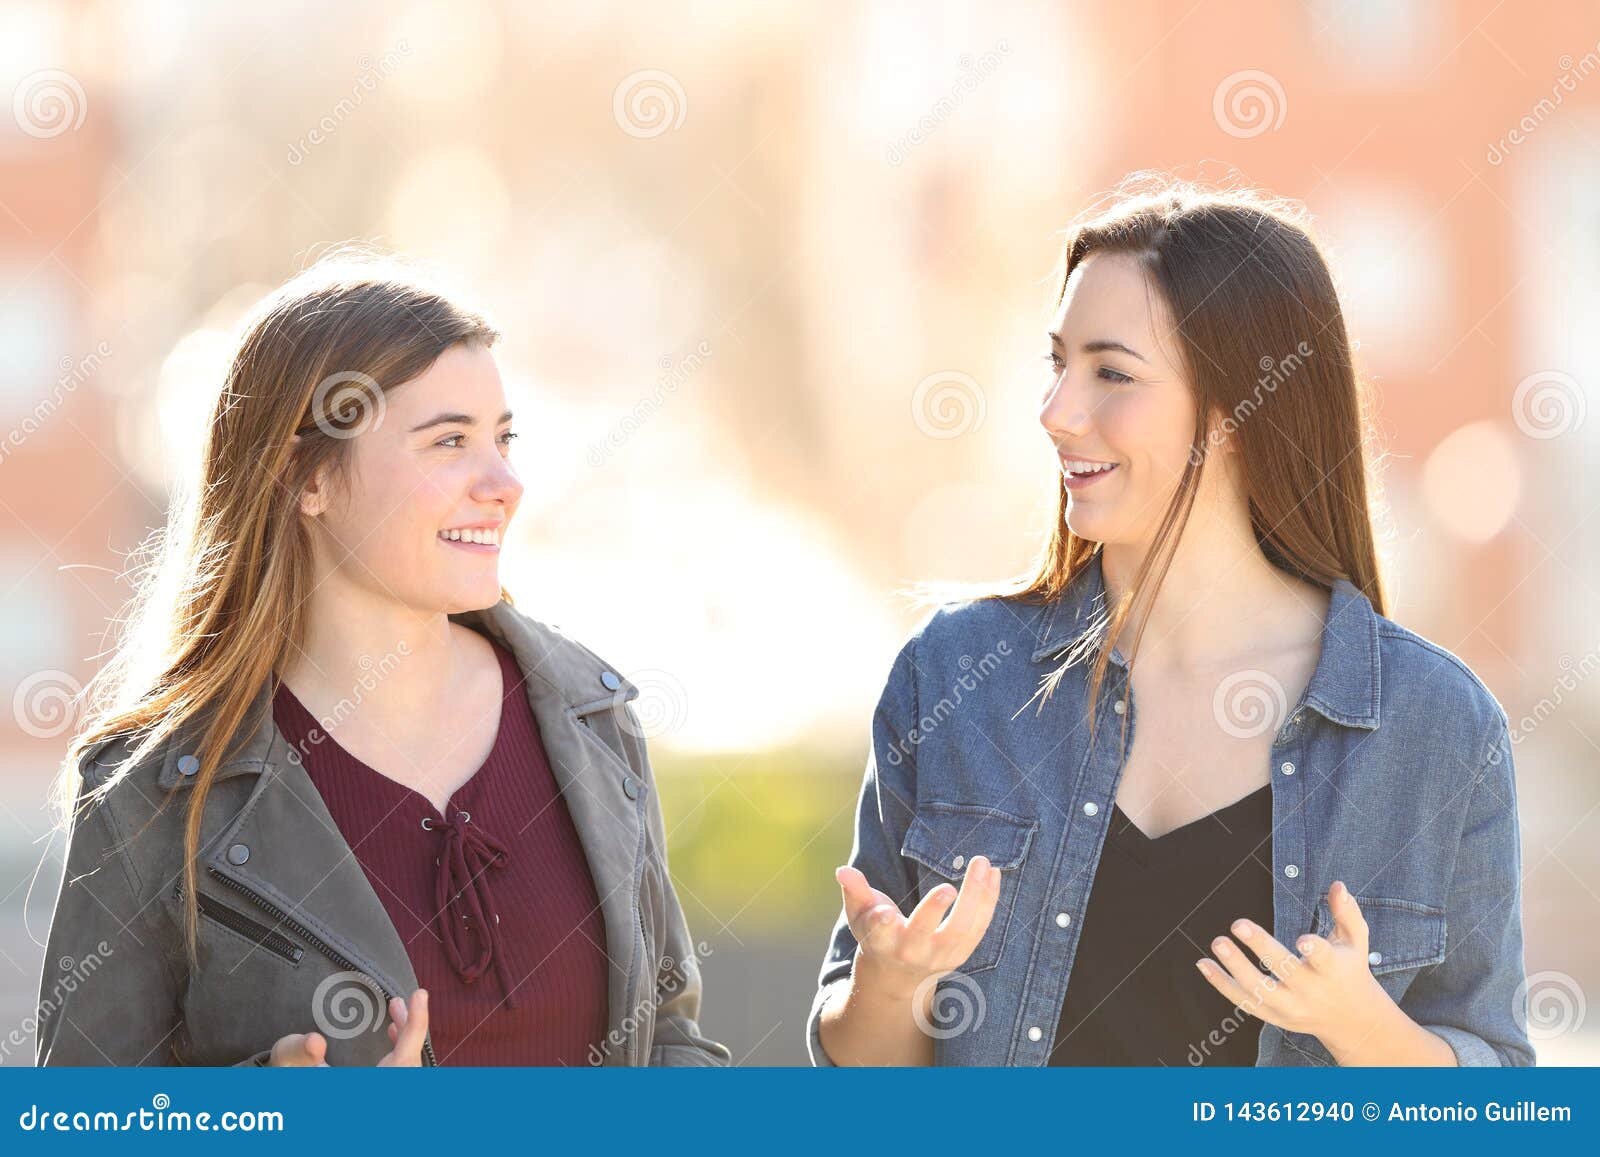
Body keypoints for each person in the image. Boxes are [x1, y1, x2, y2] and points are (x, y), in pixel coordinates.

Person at [807, 177, 1534, 1068]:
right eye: (1058, 364)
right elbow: (864, 1072)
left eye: (1112, 373)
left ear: (1239, 411)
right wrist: (889, 981)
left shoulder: (1433, 724)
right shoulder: (956, 677)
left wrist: (1365, 1029)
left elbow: (1499, 1091)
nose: (1057, 412)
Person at [36, 252, 727, 1068]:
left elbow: (672, 1040)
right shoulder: (153, 794)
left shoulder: (589, 712)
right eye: (449, 442)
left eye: (503, 438)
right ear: (307, 478)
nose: (504, 482)